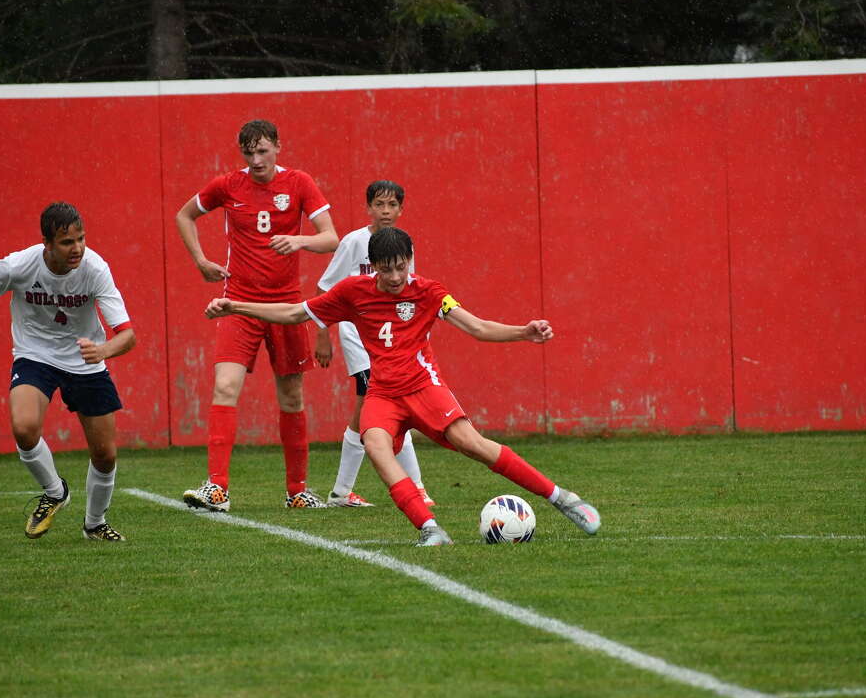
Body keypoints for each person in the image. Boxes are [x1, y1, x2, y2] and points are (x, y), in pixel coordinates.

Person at [204, 227, 601, 546]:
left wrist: (523, 333)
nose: (395, 277)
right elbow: (294, 312)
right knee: (374, 444)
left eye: (401, 266)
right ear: (372, 266)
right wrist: (236, 305)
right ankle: (430, 529)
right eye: (387, 268)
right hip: (383, 394)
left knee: (474, 445)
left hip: (425, 387)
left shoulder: (430, 292)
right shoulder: (352, 292)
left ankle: (562, 499)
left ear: (410, 260)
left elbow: (476, 326)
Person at [174, 119, 338, 512]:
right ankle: (217, 488)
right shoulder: (229, 185)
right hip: (238, 303)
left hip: (286, 307)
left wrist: (299, 239)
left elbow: (331, 236)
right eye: (248, 153)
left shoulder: (299, 183)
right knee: (225, 387)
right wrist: (200, 261)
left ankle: (297, 491)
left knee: (292, 395)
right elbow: (184, 215)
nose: (256, 159)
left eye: (263, 151)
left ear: (278, 146)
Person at [0, 202, 135, 541]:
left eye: (81, 239)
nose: (77, 248)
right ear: (47, 244)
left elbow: (127, 335)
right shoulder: (19, 265)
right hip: (35, 355)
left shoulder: (95, 268)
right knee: (23, 427)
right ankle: (55, 491)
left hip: (86, 361)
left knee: (106, 454)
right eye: (67, 242)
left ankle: (94, 524)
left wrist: (103, 350)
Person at [314, 180, 430, 507]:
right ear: (368, 208)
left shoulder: (403, 245)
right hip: (358, 340)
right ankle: (414, 488)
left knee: (383, 406)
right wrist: (323, 334)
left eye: (392, 205)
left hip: (392, 343)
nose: (386, 211)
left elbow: (409, 293)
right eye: (379, 205)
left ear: (401, 209)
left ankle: (341, 492)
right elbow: (325, 287)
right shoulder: (354, 242)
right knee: (381, 404)